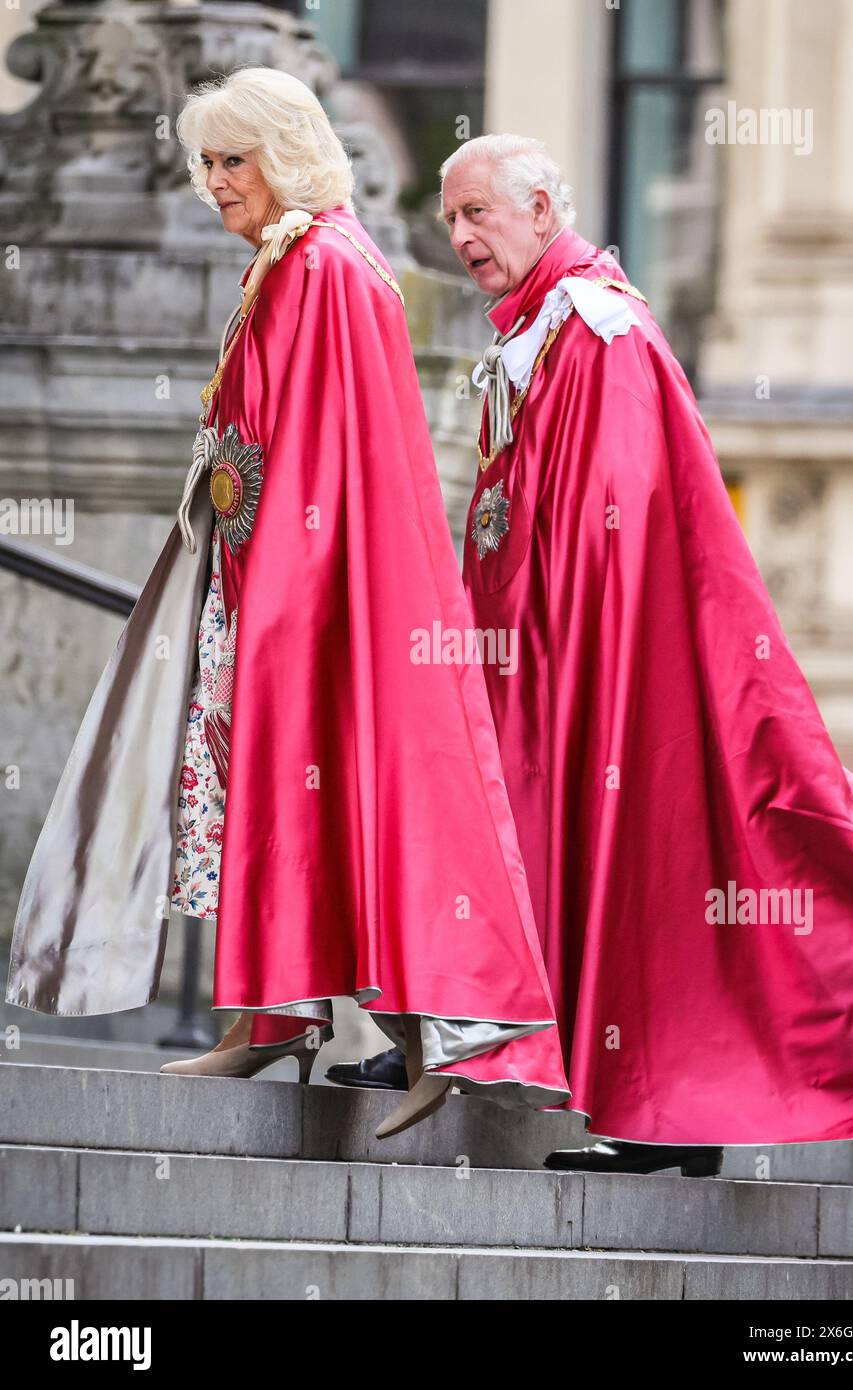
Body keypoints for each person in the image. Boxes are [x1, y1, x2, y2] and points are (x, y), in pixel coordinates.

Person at [329, 133, 853, 1173]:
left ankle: (653, 1109)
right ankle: (467, 1036)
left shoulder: (602, 334)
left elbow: (619, 529)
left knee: (649, 863)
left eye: (480, 214)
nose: (461, 236)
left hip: (608, 676)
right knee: (495, 842)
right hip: (531, 667)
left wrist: (567, 674)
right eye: (451, 218)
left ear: (545, 208)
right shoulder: (541, 334)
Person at [5, 82, 570, 1140]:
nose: (215, 183)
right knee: (303, 791)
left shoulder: (325, 266)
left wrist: (282, 597)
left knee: (346, 788)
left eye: (235, 161)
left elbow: (325, 459)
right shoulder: (302, 260)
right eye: (207, 164)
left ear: (284, 153)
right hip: (272, 573)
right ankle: (277, 1012)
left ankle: (404, 1027)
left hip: (306, 586)